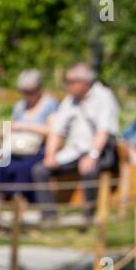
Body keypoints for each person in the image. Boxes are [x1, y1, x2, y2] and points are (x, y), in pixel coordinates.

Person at [32, 64, 120, 220]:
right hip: (74, 151)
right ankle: (49, 217)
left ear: (85, 82)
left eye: (71, 81)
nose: (68, 85)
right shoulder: (69, 100)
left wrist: (92, 156)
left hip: (101, 151)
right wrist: (50, 154)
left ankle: (89, 217)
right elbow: (57, 130)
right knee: (40, 170)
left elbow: (104, 131)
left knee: (89, 169)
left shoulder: (104, 96)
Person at [0, 69, 58, 202]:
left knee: (24, 169)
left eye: (31, 91)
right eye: (24, 91)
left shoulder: (50, 104)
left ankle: (20, 203)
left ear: (39, 88)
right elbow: (11, 126)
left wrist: (26, 127)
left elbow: (53, 131)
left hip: (40, 151)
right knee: (2, 167)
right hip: (18, 150)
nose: (27, 95)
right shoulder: (20, 106)